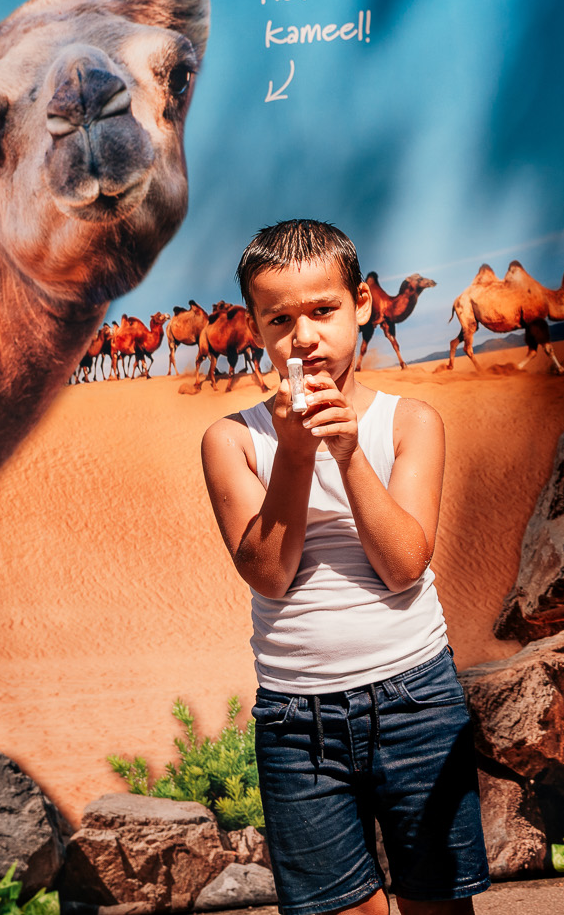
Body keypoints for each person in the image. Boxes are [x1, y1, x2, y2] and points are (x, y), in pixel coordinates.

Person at [199, 220, 487, 915]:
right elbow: (268, 574)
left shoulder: (409, 422)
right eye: (280, 319)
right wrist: (295, 455)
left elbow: (404, 564)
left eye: (322, 310)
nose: (304, 336)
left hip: (417, 699)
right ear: (257, 328)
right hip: (299, 720)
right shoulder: (231, 438)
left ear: (361, 303)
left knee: (437, 902)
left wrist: (350, 453)